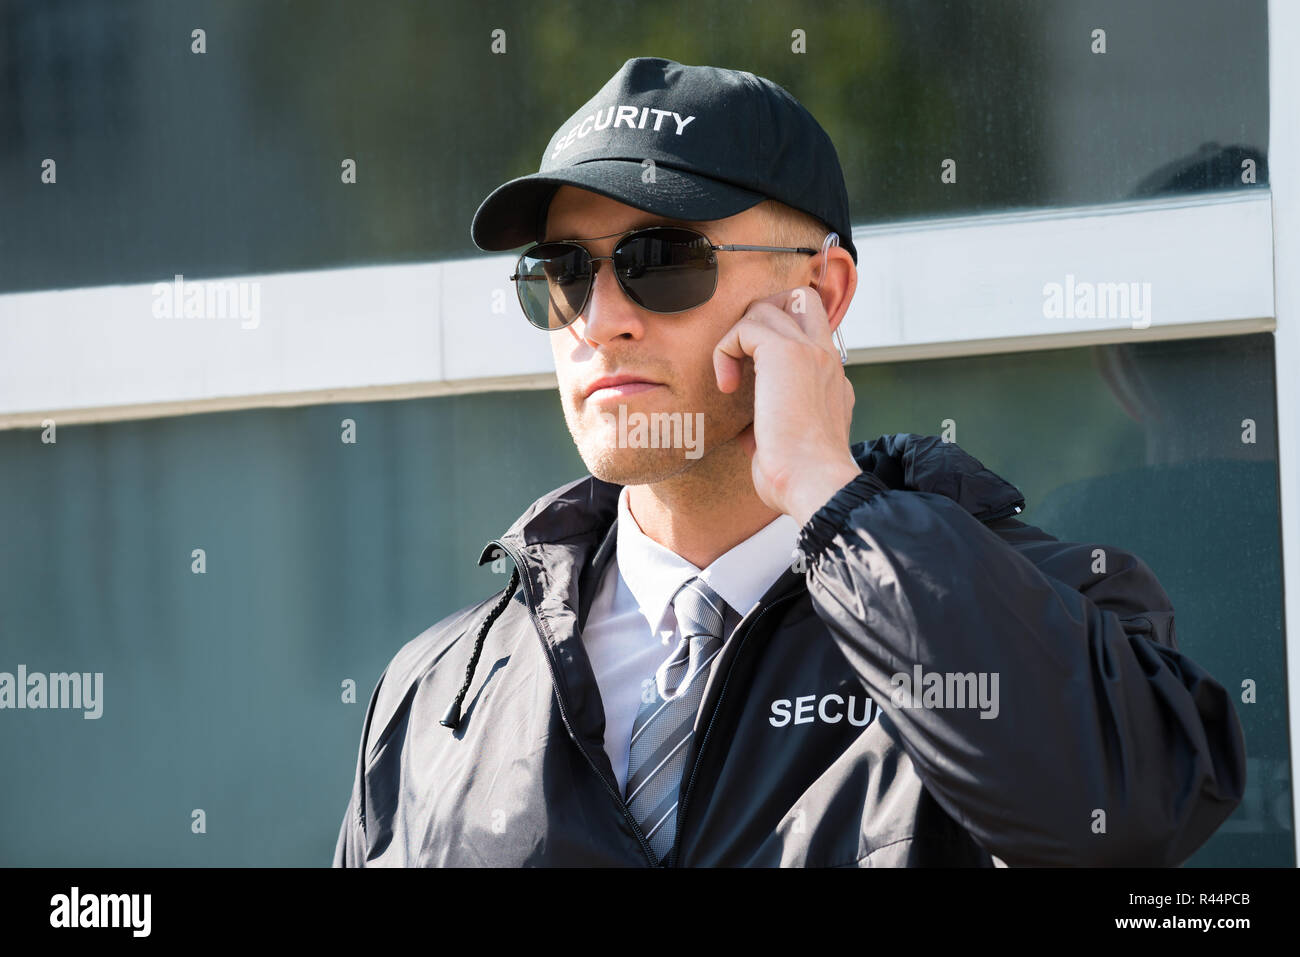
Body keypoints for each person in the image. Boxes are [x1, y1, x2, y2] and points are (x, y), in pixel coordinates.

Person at [333, 56, 1245, 867]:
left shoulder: (1040, 604)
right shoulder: (436, 690)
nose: (601, 316)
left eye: (660, 259)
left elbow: (1127, 813)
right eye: (565, 270)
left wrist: (828, 494)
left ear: (822, 290)